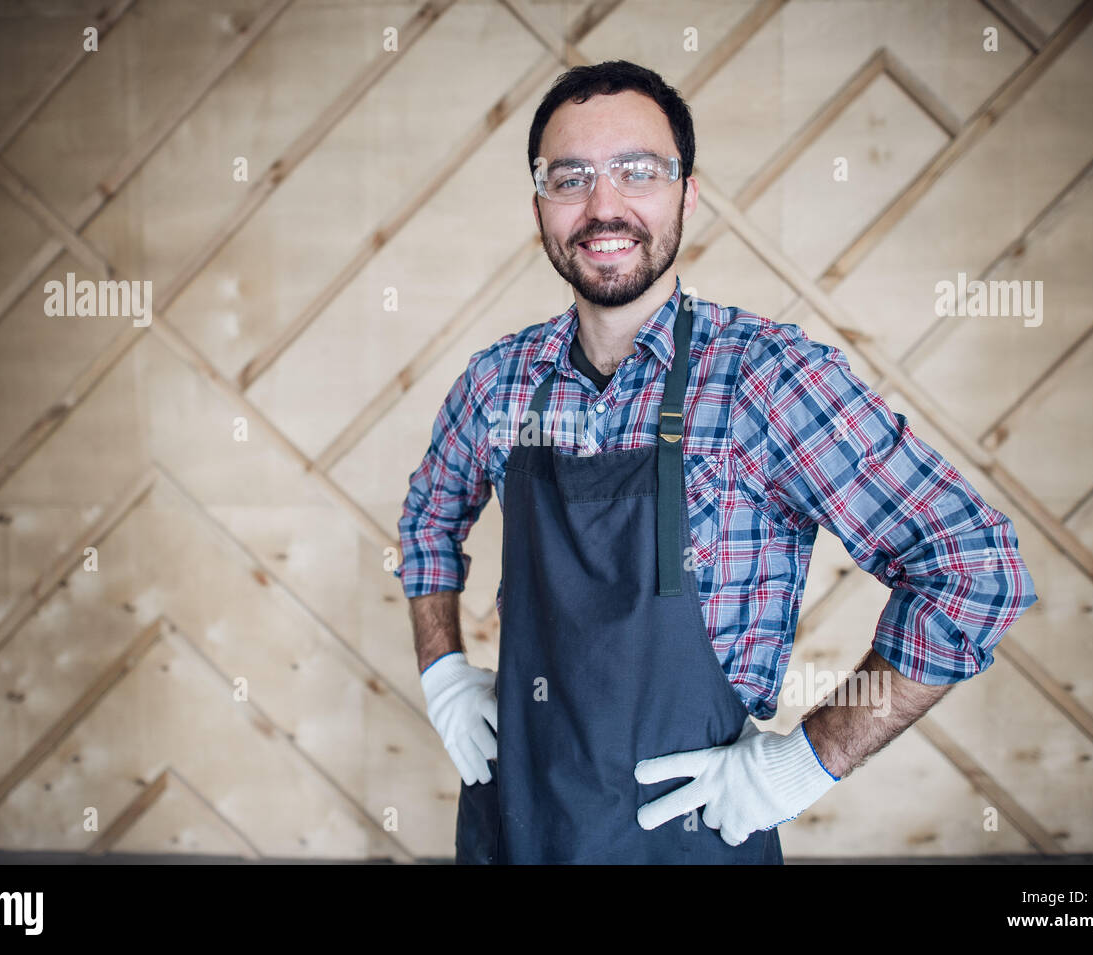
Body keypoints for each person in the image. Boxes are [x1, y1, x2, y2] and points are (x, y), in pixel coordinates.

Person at [395, 60, 1038, 864]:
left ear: (687, 195)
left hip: (694, 838)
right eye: (572, 178)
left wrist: (807, 761)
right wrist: (443, 671)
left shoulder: (766, 379)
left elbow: (975, 568)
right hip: (520, 823)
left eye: (639, 172)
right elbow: (427, 521)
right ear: (540, 208)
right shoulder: (499, 382)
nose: (604, 206)